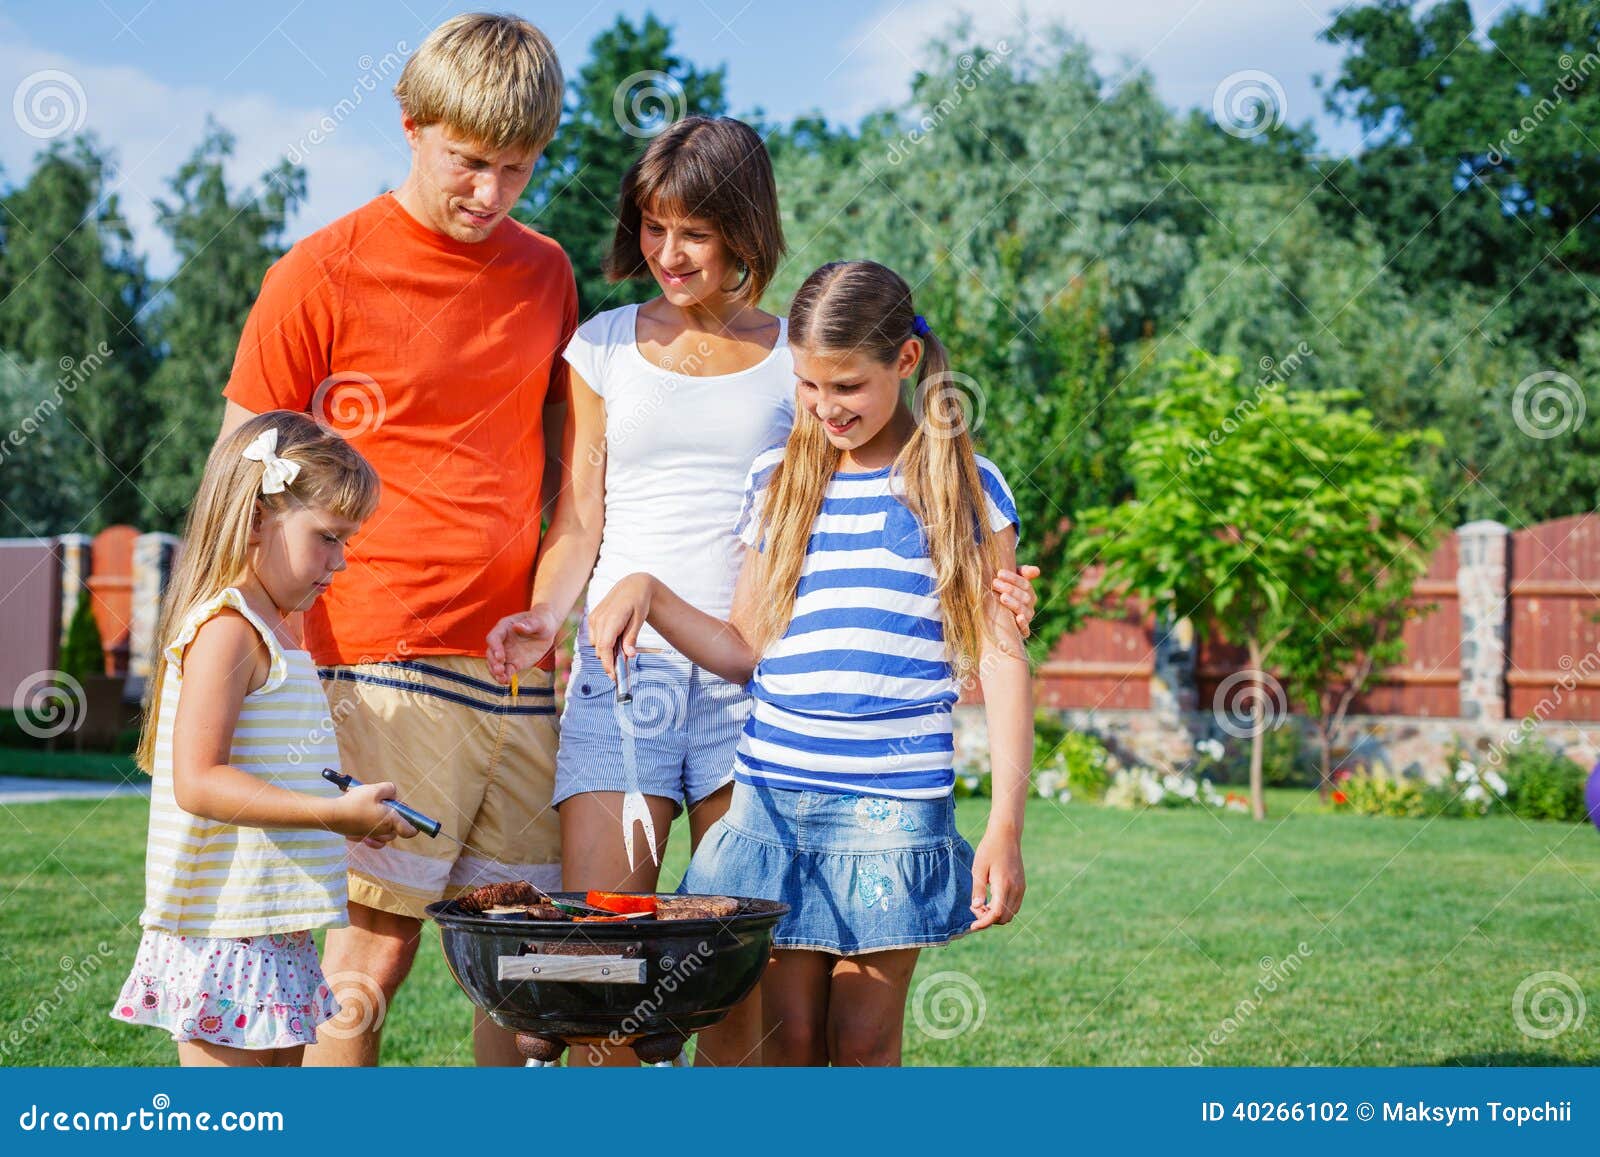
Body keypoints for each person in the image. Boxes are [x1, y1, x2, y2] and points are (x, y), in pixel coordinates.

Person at [485, 120, 1038, 1066]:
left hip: (823, 744)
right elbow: (608, 539)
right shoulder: (650, 380)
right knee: (641, 978)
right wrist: (584, 605)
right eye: (651, 228)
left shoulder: (880, 417)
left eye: (691, 231)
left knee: (805, 1019)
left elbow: (965, 607)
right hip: (690, 726)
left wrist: (1005, 806)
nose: (666, 252)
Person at [217, 13, 573, 1067]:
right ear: (410, 124)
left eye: (517, 168)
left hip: (517, 663)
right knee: (367, 963)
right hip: (374, 655)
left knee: (525, 966)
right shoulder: (318, 273)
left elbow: (564, 470)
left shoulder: (547, 272)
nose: (492, 193)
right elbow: (241, 476)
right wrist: (234, 652)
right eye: (470, 161)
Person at [588, 260, 1032, 1066]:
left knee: (861, 1040)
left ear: (904, 362)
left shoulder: (964, 486)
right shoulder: (781, 479)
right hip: (773, 805)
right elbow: (745, 649)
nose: (827, 409)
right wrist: (648, 592)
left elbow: (1002, 655)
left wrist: (1005, 822)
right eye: (807, 386)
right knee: (782, 1037)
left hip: (895, 808)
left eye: (848, 387)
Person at [110, 412, 415, 1067]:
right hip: (225, 929)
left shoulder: (276, 632)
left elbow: (266, 766)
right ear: (255, 520)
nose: (340, 562)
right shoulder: (227, 629)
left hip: (272, 926)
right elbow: (200, 780)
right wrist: (332, 814)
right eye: (328, 538)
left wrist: (346, 805)